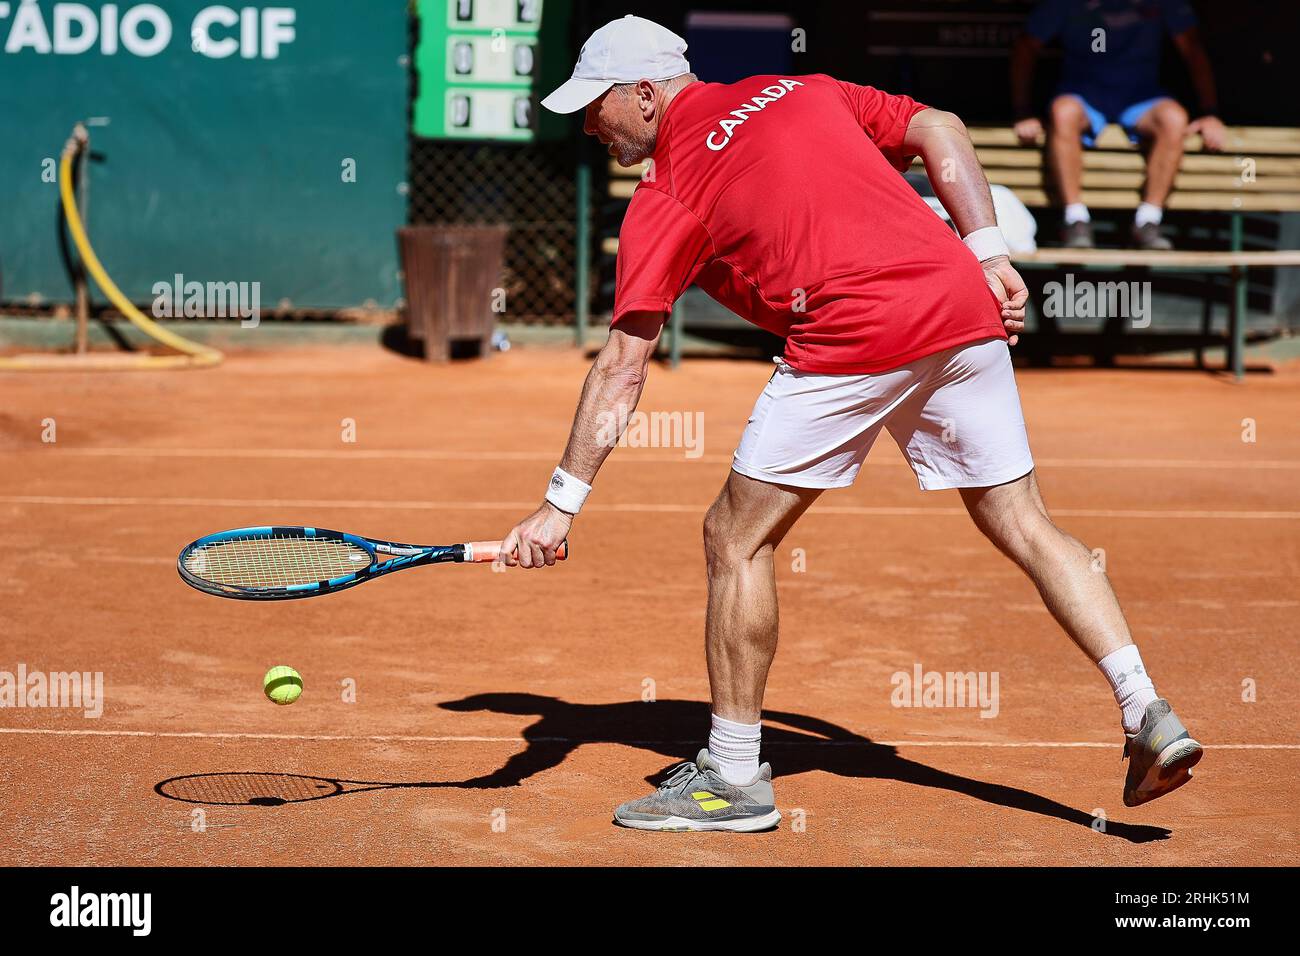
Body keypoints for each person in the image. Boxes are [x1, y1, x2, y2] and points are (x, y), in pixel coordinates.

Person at [499, 15, 1202, 832]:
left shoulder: (665, 193)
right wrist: (988, 251)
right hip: (959, 302)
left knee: (736, 537)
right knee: (1022, 519)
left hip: (853, 332)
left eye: (597, 105)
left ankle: (730, 778)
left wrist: (561, 502)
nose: (589, 124)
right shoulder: (800, 87)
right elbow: (938, 125)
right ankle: (1144, 707)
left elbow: (623, 364)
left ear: (647, 95)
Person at [1011, 0, 1226, 250]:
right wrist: (1022, 111)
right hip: (1084, 93)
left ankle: (1148, 221)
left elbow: (1192, 48)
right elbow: (1027, 46)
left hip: (1140, 95)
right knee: (1063, 111)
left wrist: (1211, 113)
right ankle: (1075, 220)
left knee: (1174, 117)